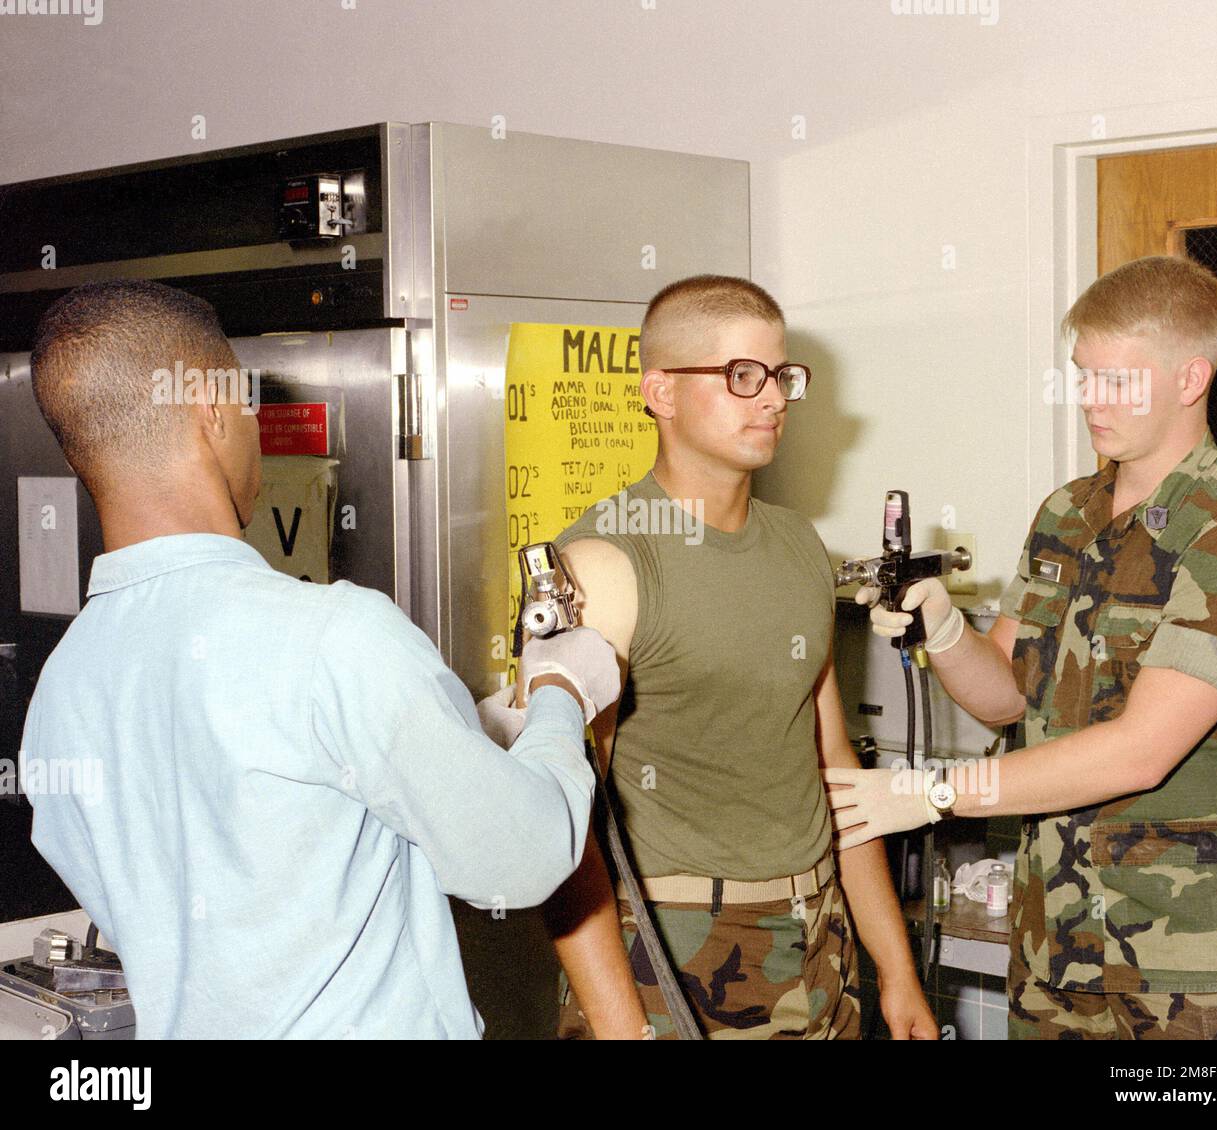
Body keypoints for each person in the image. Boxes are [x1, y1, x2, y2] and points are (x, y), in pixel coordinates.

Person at [20, 279, 619, 1038]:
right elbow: (522, 857)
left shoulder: (60, 692)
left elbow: (243, 852)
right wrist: (564, 690)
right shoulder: (332, 635)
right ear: (210, 414)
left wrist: (469, 735)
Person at [836, 255, 1217, 1039]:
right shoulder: (1069, 514)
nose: (1090, 399)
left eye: (1116, 380)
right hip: (1056, 944)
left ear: (1191, 378)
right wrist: (945, 628)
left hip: (1191, 969)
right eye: (1082, 374)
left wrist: (933, 794)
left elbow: (1139, 754)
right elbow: (1005, 697)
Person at [542, 274, 938, 1040]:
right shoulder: (603, 563)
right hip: (671, 947)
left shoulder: (797, 545)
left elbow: (836, 773)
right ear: (659, 391)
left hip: (818, 945)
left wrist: (895, 968)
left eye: (781, 376)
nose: (773, 399)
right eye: (740, 376)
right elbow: (561, 818)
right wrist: (624, 1029)